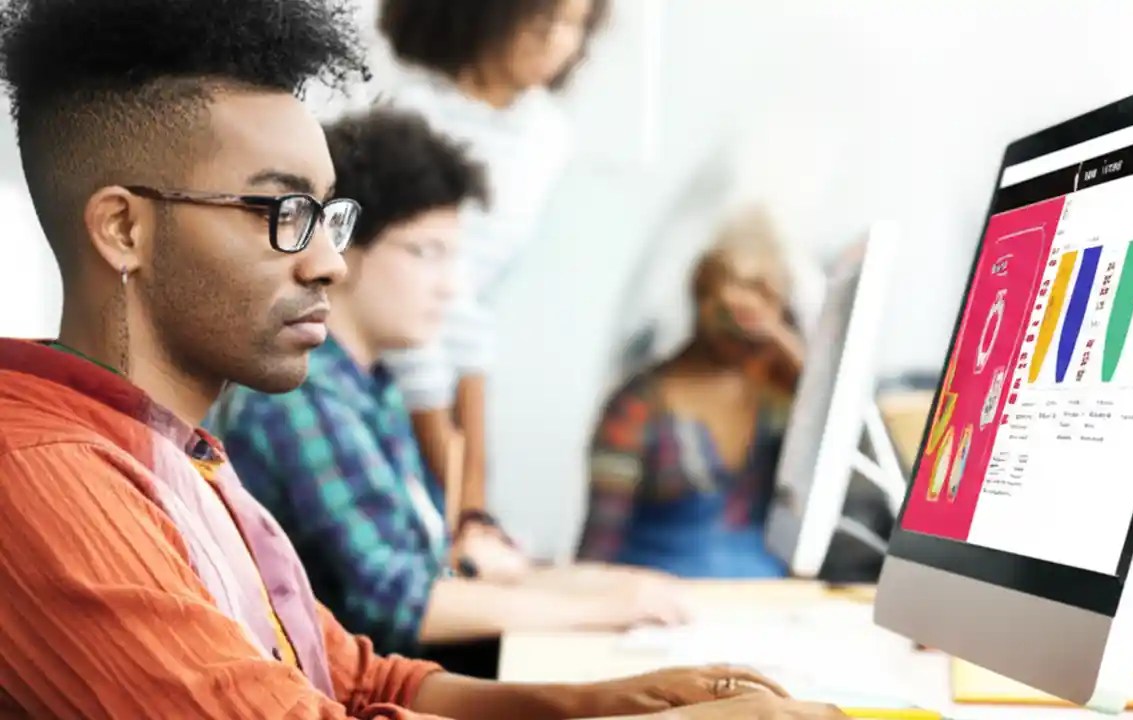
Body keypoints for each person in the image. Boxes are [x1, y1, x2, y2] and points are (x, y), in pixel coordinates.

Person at [0, 0, 844, 717]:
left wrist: (611, 700)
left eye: (327, 215)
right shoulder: (38, 475)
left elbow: (359, 676)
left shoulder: (174, 452)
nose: (329, 261)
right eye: (281, 210)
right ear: (123, 230)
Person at [208, 107, 688, 673]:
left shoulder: (372, 387)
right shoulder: (301, 397)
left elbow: (421, 564)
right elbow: (399, 605)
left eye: (454, 257)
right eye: (426, 252)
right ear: (345, 245)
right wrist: (601, 607)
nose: (450, 286)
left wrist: (567, 581)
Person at [372, 0, 610, 578]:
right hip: (390, 374)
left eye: (574, 28)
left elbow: (469, 301)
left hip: (456, 350)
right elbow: (411, 304)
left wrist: (474, 501)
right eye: (542, 21)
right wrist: (462, 501)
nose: (557, 42)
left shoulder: (547, 134)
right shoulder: (413, 114)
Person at [578, 208, 805, 578]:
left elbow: (844, 431)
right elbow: (600, 544)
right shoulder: (637, 407)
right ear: (702, 301)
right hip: (657, 596)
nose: (747, 337)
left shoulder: (781, 403)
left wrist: (782, 340)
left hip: (765, 599)